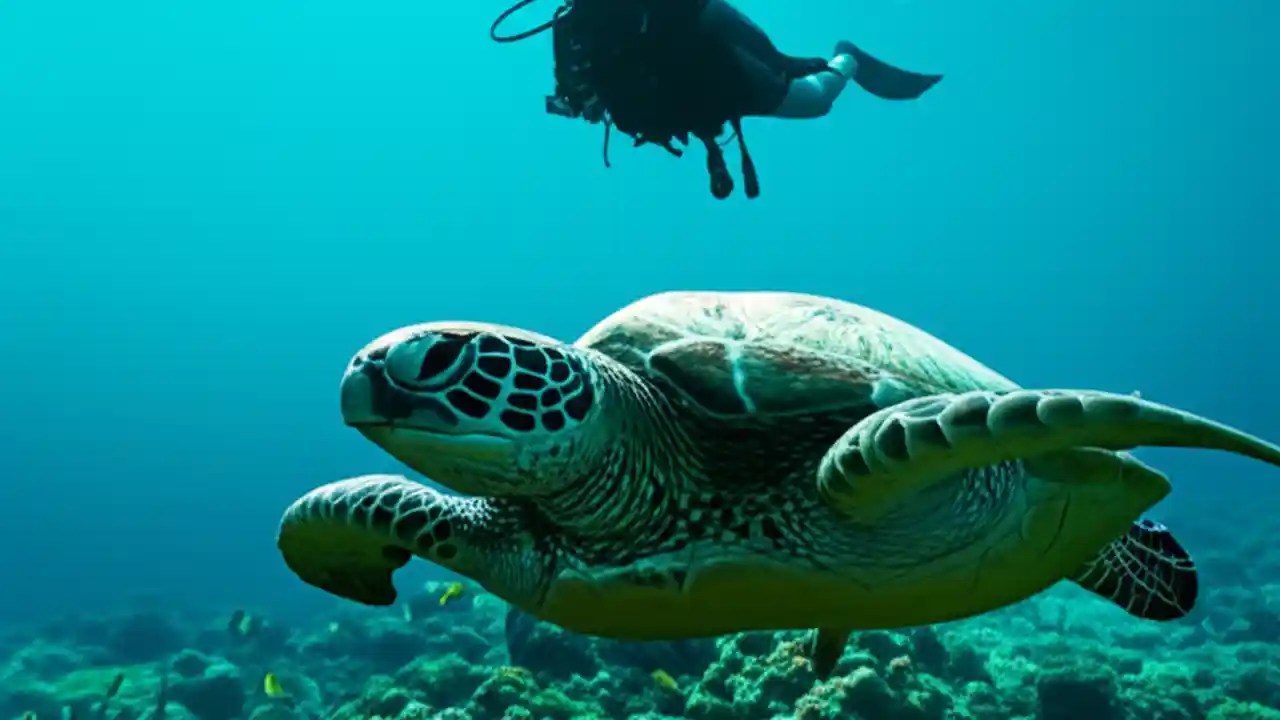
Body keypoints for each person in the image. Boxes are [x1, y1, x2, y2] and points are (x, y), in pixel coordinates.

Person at [494, 0, 943, 199]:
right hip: (675, 105)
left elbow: (729, 22)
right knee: (812, 102)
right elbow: (571, 88)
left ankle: (848, 58)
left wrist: (781, 62)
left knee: (817, 100)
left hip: (725, 82)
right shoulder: (574, 26)